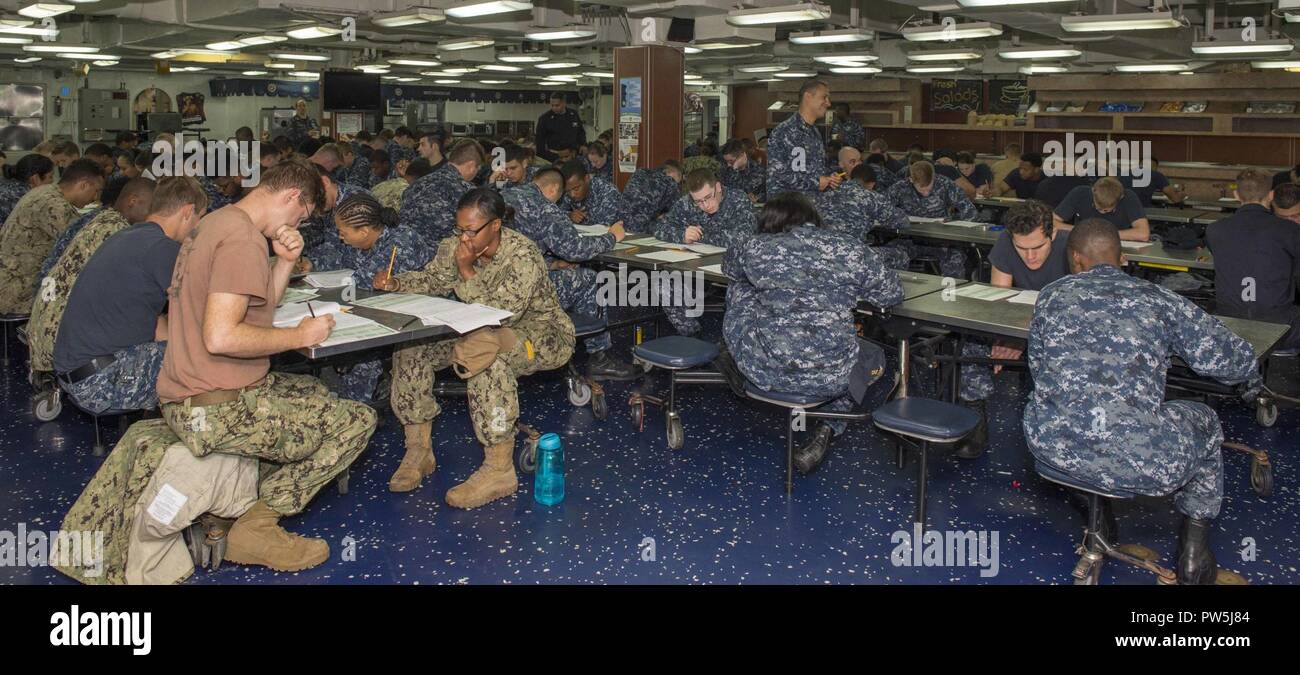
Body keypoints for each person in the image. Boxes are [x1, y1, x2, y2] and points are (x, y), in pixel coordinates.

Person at [156, 158, 377, 572]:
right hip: (215, 404)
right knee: (357, 421)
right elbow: (221, 336)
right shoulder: (241, 240)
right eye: (303, 214)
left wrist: (285, 262)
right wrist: (301, 335)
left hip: (192, 385)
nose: (299, 222)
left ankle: (236, 501)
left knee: (315, 392)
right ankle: (255, 527)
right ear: (293, 197)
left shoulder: (222, 222)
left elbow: (257, 309)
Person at [1024, 219, 1261, 585]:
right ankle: (1194, 556)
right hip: (1141, 460)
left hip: (1052, 447)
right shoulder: (1159, 300)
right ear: (1121, 258)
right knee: (1206, 421)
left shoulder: (1052, 295)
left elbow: (1039, 371)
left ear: (1075, 259)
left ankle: (1101, 528)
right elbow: (1235, 364)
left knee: (1060, 410)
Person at [373, 188, 575, 501]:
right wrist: (398, 283)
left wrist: (466, 270)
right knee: (412, 348)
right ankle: (418, 449)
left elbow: (502, 313)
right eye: (459, 229)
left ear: (495, 225)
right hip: (475, 330)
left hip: (540, 334)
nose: (463, 238)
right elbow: (433, 279)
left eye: (471, 230)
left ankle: (498, 468)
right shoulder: (456, 246)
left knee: (485, 354)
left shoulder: (523, 254)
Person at [722, 193, 901, 473]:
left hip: (762, 370)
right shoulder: (849, 248)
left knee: (739, 287)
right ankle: (829, 425)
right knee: (871, 356)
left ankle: (730, 358)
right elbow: (891, 294)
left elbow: (728, 267)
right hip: (831, 378)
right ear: (813, 218)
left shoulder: (754, 246)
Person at [52, 178, 203, 414]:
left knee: (173, 336)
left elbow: (158, 316)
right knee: (208, 359)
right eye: (198, 219)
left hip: (76, 373)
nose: (197, 228)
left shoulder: (127, 236)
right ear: (187, 212)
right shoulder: (163, 248)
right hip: (101, 382)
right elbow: (201, 309)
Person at [954, 200, 1073, 459]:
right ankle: (974, 412)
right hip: (1020, 318)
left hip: (1060, 323)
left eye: (1038, 247)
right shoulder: (1006, 244)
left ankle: (1062, 429)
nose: (1030, 256)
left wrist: (1018, 341)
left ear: (1053, 233)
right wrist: (1007, 336)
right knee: (974, 339)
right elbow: (1001, 302)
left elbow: (1076, 308)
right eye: (1022, 248)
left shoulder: (1072, 247)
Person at [504, 168, 635, 379]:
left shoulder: (505, 196)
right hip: (524, 293)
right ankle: (599, 357)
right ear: (555, 188)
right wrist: (612, 237)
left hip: (493, 286)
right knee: (590, 278)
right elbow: (576, 250)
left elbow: (515, 255)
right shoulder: (545, 208)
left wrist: (553, 264)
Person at [301, 192, 434, 402]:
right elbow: (339, 256)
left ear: (363, 231)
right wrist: (311, 262)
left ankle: (358, 408)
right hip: (386, 308)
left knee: (365, 353)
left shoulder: (401, 242)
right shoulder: (365, 241)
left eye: (343, 233)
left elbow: (364, 280)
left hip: (420, 317)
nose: (340, 237)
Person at [28, 179, 157, 375]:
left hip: (43, 331)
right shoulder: (119, 233)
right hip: (62, 341)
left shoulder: (103, 219)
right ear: (133, 201)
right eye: (153, 209)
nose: (155, 217)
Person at [1206, 168, 1300, 351]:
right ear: (1271, 195)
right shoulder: (1289, 230)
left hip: (1229, 325)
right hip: (1281, 328)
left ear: (1235, 194)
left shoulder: (1214, 230)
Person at [655, 168, 756, 336]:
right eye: (699, 202)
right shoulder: (687, 203)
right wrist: (681, 235)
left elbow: (744, 238)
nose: (705, 205)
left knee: (740, 296)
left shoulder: (738, 199)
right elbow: (659, 227)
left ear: (717, 187)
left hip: (732, 271)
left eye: (708, 198)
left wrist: (700, 236)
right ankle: (693, 335)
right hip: (696, 269)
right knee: (664, 286)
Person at [0, 159, 102, 314]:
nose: (95, 198)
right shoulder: (55, 205)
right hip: (17, 293)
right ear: (84, 184)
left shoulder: (45, 191)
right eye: (96, 191)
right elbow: (84, 243)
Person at [884, 160, 977, 278]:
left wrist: (955, 226)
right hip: (909, 240)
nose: (926, 193)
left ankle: (952, 294)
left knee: (955, 258)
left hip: (942, 241)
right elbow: (883, 210)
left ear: (934, 177)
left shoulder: (945, 184)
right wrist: (896, 218)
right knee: (888, 256)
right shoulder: (899, 188)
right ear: (911, 180)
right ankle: (897, 291)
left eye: (929, 188)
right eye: (922, 189)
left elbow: (970, 212)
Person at [398, 138, 483, 244]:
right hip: (440, 255)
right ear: (471, 166)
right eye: (477, 170)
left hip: (403, 247)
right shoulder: (466, 191)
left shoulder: (417, 184)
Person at [767, 79, 840, 197]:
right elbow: (778, 174)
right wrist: (816, 182)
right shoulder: (784, 131)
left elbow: (811, 169)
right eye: (824, 97)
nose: (828, 103)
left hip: (810, 205)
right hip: (787, 208)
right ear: (808, 97)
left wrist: (829, 178)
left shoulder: (814, 132)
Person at [1052, 177, 1150, 242]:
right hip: (1083, 243)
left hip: (1114, 246)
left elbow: (1143, 234)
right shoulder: (1080, 193)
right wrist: (1082, 231)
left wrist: (1102, 233)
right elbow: (1052, 222)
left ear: (1121, 197)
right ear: (1092, 191)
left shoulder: (1129, 197)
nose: (1101, 212)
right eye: (1098, 207)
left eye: (1106, 210)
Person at [620, 160, 683, 232]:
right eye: (677, 181)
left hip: (621, 225)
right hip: (641, 230)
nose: (676, 185)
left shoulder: (640, 172)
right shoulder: (670, 183)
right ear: (672, 173)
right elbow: (677, 212)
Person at [560, 159, 626, 226]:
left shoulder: (608, 191)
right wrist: (569, 216)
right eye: (567, 191)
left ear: (587, 178)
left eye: (576, 189)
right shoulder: (570, 191)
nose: (572, 194)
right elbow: (556, 215)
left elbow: (602, 227)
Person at [0, 153, 55, 225]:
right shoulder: (28, 199)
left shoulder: (7, 186)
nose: (52, 181)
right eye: (50, 177)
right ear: (35, 179)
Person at [536, 93, 586, 163]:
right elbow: (540, 143)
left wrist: (583, 145)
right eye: (552, 105)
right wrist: (557, 155)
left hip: (573, 154)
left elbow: (580, 132)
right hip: (554, 156)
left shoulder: (573, 114)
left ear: (564, 103)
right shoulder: (545, 118)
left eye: (557, 105)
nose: (554, 108)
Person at [1121, 157, 1185, 207]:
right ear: (1155, 167)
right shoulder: (1156, 175)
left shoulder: (1124, 173)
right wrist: (1183, 194)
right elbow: (1175, 199)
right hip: (1141, 212)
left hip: (1120, 212)